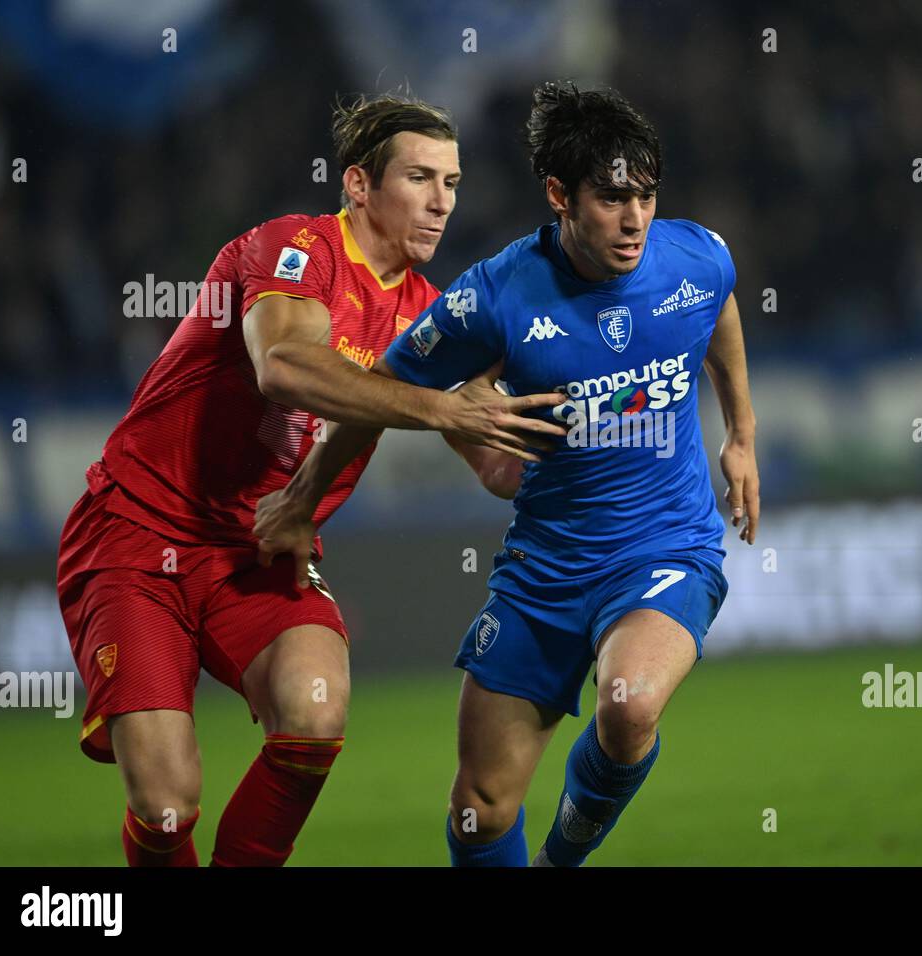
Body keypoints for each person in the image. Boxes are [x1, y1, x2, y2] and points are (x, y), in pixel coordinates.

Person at [256, 80, 760, 866]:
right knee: (480, 811)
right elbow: (382, 395)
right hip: (545, 569)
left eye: (647, 196)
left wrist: (742, 438)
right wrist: (301, 501)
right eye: (611, 199)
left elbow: (720, 305)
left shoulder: (696, 255)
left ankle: (560, 859)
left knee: (628, 706)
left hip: (664, 548)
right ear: (559, 194)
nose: (634, 221)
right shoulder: (493, 298)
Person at [55, 93, 566, 866]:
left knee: (315, 714)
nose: (441, 203)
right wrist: (441, 406)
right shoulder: (293, 248)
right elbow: (285, 366)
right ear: (358, 184)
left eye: (453, 183)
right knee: (165, 807)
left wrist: (566, 437)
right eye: (420, 178)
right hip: (139, 532)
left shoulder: (433, 315)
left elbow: (496, 465)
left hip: (263, 547)